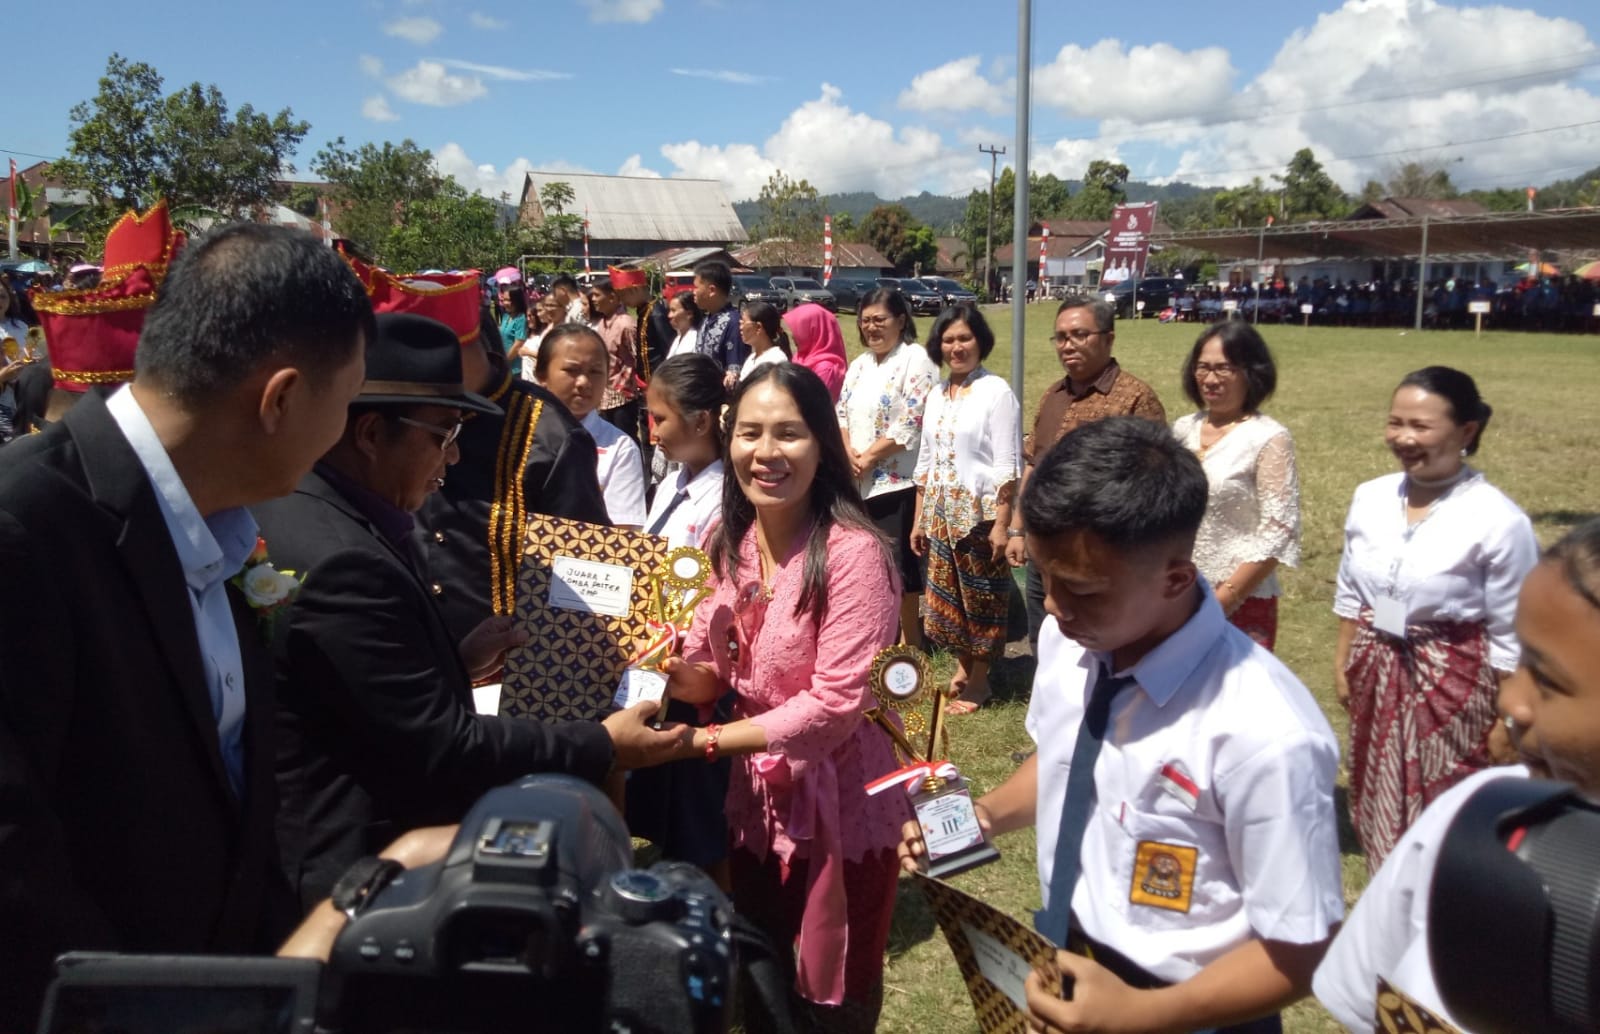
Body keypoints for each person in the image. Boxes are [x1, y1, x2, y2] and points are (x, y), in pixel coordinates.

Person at [0, 223, 373, 1033]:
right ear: (279, 399)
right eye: (345, 404)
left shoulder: (220, 524)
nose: (344, 434)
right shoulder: (22, 527)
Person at [901, 416, 1344, 1034]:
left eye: (1081, 590)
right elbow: (1068, 756)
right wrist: (985, 816)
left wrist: (1145, 1013)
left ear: (1176, 579)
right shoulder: (1072, 637)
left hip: (1193, 1005)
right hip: (1071, 954)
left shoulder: (1262, 731)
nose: (1051, 607)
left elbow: (1301, 951)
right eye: (1046, 579)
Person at [253, 312, 684, 908]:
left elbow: (368, 695)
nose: (452, 461)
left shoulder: (320, 514)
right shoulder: (344, 560)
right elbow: (443, 746)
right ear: (372, 433)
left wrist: (455, 660)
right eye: (442, 435)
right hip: (349, 874)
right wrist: (601, 743)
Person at [663, 362, 906, 1031]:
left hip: (841, 811)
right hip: (755, 801)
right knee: (763, 980)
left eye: (788, 434)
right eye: (749, 433)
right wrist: (677, 677)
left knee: (832, 1002)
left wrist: (701, 742)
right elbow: (721, 672)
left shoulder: (857, 556)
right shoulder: (732, 543)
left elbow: (832, 709)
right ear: (726, 438)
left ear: (823, 444)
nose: (765, 452)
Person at [1313, 517, 1600, 1032]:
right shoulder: (1478, 818)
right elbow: (1365, 1006)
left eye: (1549, 680)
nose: (1511, 700)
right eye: (1519, 663)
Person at [1333, 366, 1538, 872]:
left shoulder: (1498, 520)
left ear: (1466, 432)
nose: (1403, 438)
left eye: (1421, 427)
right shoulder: (1372, 497)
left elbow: (1516, 632)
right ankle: (1389, 893)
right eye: (1395, 422)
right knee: (1375, 787)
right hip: (1376, 668)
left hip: (1457, 687)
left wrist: (1506, 722)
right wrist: (1344, 661)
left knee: (1449, 806)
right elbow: (1350, 589)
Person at [354, 260, 610, 648]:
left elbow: (586, 569)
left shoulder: (550, 433)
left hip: (512, 672)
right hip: (413, 651)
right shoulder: (392, 415)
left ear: (463, 350)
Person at [1006, 298, 1166, 649]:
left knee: (1094, 647)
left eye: (1080, 334)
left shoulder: (1135, 400)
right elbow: (1034, 462)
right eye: (1061, 337)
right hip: (1044, 548)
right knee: (1044, 640)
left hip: (1098, 559)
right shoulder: (1054, 395)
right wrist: (1018, 528)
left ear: (1108, 339)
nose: (1068, 345)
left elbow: (1152, 487)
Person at [626, 353, 732, 873]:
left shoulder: (724, 498)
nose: (652, 431)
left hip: (697, 666)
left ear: (702, 421)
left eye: (660, 418)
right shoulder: (671, 482)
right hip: (657, 658)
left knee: (699, 800)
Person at [911, 304, 1020, 714]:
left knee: (982, 603)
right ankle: (962, 666)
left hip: (980, 517)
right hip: (940, 514)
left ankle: (980, 683)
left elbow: (1007, 464)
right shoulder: (937, 393)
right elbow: (926, 460)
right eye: (949, 339)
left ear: (981, 341)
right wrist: (921, 518)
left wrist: (1002, 523)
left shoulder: (996, 392)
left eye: (965, 338)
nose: (957, 347)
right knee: (950, 603)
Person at [1170, 322, 1301, 650]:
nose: (1210, 379)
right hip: (1176, 595)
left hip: (1240, 602)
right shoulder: (1183, 429)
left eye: (1224, 369)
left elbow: (1278, 530)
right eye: (1203, 368)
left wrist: (1223, 599)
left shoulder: (1268, 437)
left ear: (1251, 372)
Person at [836, 287, 939, 650]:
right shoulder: (860, 364)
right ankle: (877, 634)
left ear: (901, 320)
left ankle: (910, 642)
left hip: (897, 482)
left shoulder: (916, 359)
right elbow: (842, 411)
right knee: (867, 563)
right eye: (865, 321)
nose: (871, 328)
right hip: (858, 480)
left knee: (900, 566)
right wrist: (848, 451)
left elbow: (912, 419)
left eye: (880, 320)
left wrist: (869, 458)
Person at [537, 323, 647, 530]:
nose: (583, 382)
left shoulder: (620, 449)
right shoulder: (517, 435)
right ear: (542, 375)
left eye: (595, 371)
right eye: (572, 370)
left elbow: (622, 535)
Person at [588, 277, 642, 445]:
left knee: (625, 440)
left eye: (597, 295)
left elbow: (637, 358)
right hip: (605, 395)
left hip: (623, 395)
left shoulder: (625, 324)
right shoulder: (602, 323)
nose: (593, 300)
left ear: (612, 297)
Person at [690, 259, 749, 387]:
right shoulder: (706, 319)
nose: (693, 292)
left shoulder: (733, 323)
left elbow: (735, 373)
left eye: (696, 287)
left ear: (711, 290)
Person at [783, 301, 848, 401]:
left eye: (800, 331)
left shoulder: (826, 369)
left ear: (813, 332)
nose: (793, 336)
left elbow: (814, 407)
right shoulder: (800, 357)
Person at [738, 299, 791, 380]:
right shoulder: (752, 357)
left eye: (743, 323)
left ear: (758, 327)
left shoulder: (775, 360)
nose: (740, 327)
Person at [665, 290, 702, 360]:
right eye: (669, 310)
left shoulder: (695, 340)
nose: (669, 315)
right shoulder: (678, 338)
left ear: (689, 314)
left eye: (673, 310)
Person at [497, 281, 528, 358]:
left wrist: (505, 363)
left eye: (509, 300)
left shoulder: (521, 318)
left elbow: (518, 344)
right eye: (504, 300)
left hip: (515, 367)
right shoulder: (506, 316)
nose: (505, 303)